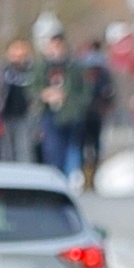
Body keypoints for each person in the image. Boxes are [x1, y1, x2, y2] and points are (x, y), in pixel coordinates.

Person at [37, 35, 92, 182]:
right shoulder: (41, 67)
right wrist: (44, 94)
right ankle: (55, 177)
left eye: (58, 46)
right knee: (52, 148)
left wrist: (68, 98)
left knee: (72, 147)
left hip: (71, 114)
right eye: (52, 47)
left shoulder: (75, 67)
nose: (55, 51)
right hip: (49, 113)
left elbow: (85, 91)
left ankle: (73, 174)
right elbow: (33, 88)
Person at [0, 39, 37, 164]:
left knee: (25, 151)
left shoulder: (34, 71)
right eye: (15, 55)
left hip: (26, 117)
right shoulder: (1, 71)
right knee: (6, 152)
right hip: (5, 116)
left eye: (21, 55)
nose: (18, 59)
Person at [79, 40, 114, 189]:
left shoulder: (83, 67)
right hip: (95, 112)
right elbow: (109, 93)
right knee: (94, 145)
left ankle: (88, 175)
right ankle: (90, 176)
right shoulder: (103, 69)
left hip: (87, 112)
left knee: (85, 145)